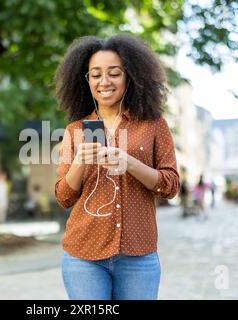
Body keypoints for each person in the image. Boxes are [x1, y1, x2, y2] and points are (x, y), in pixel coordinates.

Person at [54, 34, 180, 300]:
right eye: (96, 74)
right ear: (86, 80)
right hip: (83, 256)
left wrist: (130, 162)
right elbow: (64, 197)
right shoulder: (75, 130)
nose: (104, 81)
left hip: (138, 255)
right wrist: (80, 161)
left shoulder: (153, 124)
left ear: (129, 76)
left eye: (114, 73)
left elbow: (170, 186)